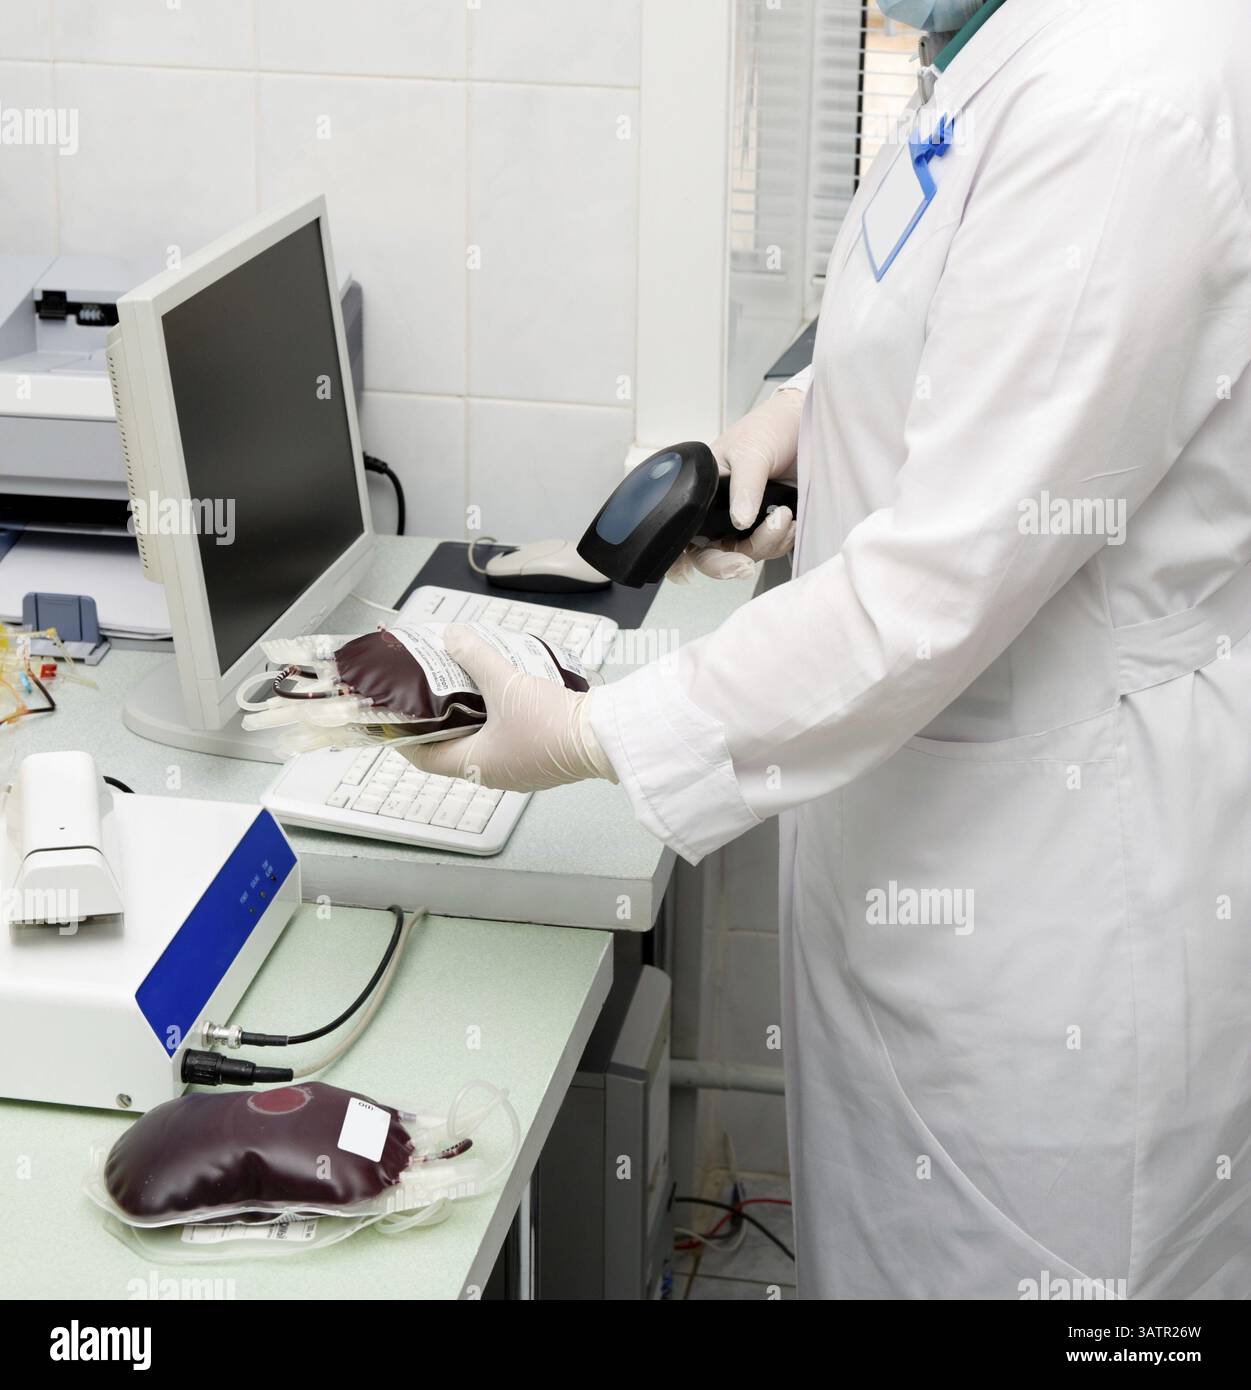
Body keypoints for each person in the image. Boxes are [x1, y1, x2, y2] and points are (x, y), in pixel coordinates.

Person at [406, 0, 1251, 1299]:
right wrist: (795, 419)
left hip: (1055, 920)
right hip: (935, 856)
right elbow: (960, 318)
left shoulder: (1119, 98)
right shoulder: (1003, 51)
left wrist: (588, 731)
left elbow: (932, 592)